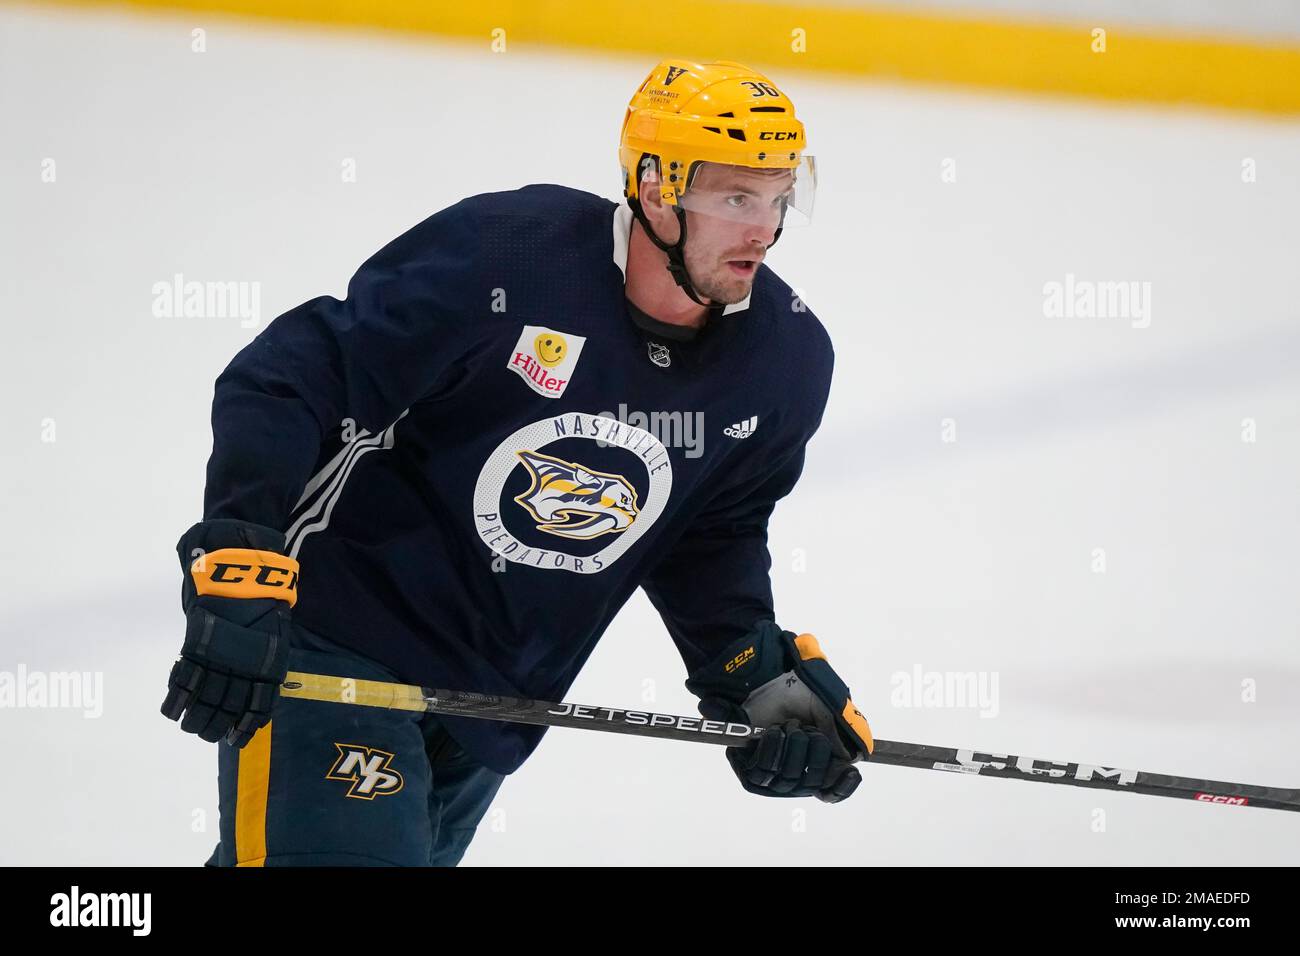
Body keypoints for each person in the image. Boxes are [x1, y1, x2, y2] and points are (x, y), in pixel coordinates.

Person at [160, 58, 874, 867]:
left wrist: (751, 668)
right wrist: (243, 547)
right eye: (734, 197)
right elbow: (293, 377)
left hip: (493, 708)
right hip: (339, 647)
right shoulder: (509, 259)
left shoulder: (783, 359)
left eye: (780, 196)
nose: (763, 228)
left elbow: (711, 532)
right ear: (654, 190)